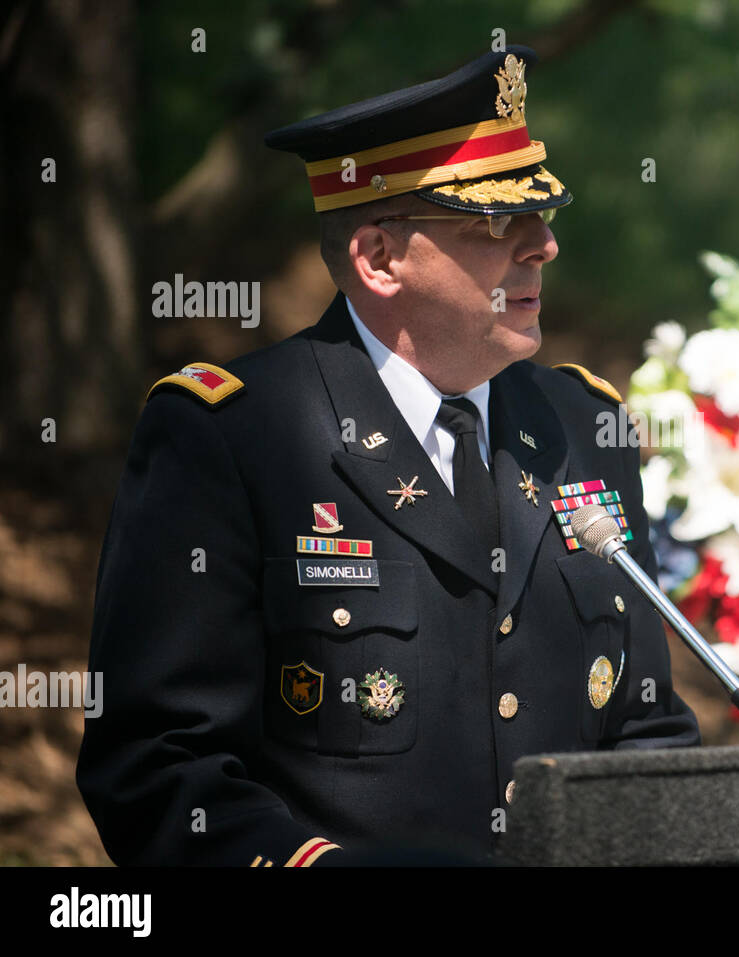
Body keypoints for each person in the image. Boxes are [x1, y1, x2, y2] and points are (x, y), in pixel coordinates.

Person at [76, 45, 701, 867]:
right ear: (378, 258)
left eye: (544, 215)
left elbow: (646, 729)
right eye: (497, 221)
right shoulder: (229, 437)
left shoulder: (584, 425)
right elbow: (156, 765)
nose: (543, 245)